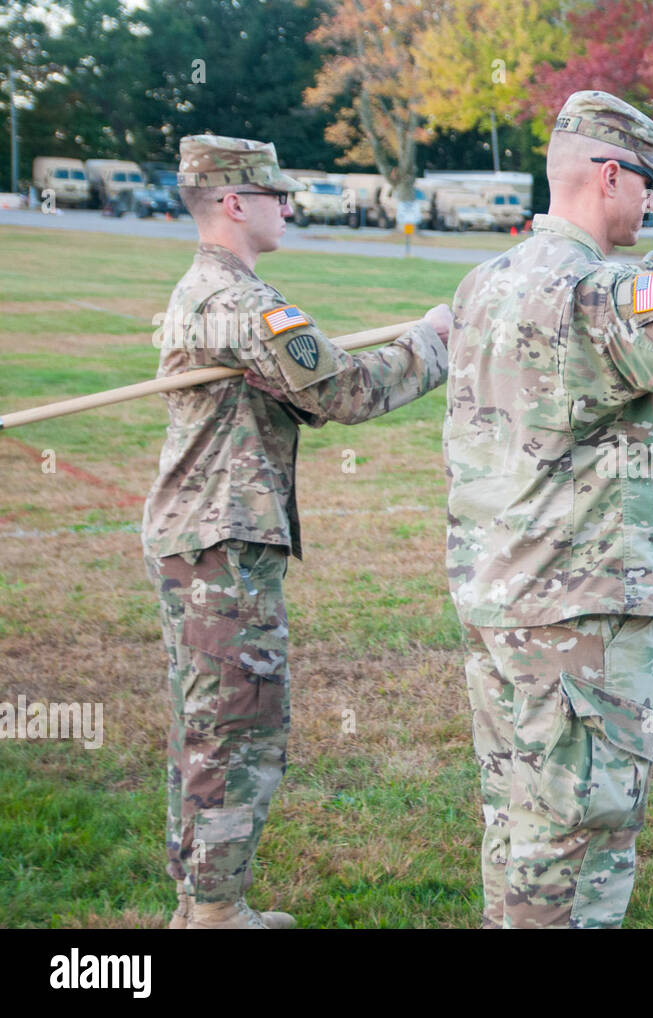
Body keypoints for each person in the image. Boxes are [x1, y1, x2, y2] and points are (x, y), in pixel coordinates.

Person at [444, 90, 653, 929]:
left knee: (517, 817)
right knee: (581, 834)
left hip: (499, 599)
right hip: (575, 618)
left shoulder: (486, 282)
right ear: (608, 176)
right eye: (648, 186)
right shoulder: (596, 293)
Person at [142, 135, 451, 929]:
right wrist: (435, 340)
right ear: (235, 202)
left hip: (202, 533)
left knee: (209, 719)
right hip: (221, 539)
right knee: (236, 724)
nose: (289, 206)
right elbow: (346, 392)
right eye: (276, 195)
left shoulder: (218, 293)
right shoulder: (241, 304)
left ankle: (202, 901)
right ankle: (213, 912)